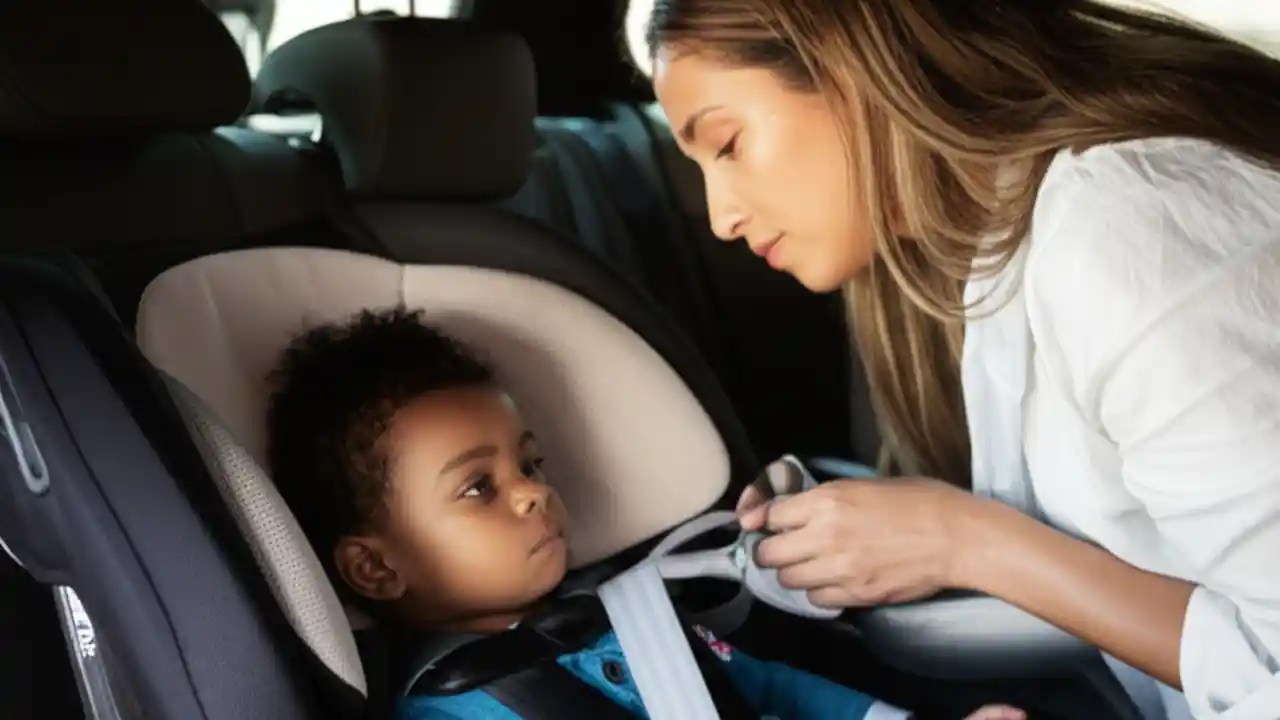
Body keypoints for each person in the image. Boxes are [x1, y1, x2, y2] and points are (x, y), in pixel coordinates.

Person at [644, 1, 1280, 719]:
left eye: (727, 145)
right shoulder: (999, 249)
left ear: (855, 68)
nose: (721, 214)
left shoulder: (1127, 229)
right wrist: (870, 535)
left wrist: (965, 542)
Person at [264, 308, 1021, 720]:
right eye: (477, 489)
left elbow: (777, 692)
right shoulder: (454, 711)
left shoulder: (628, 617)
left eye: (530, 464)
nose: (532, 492)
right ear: (375, 566)